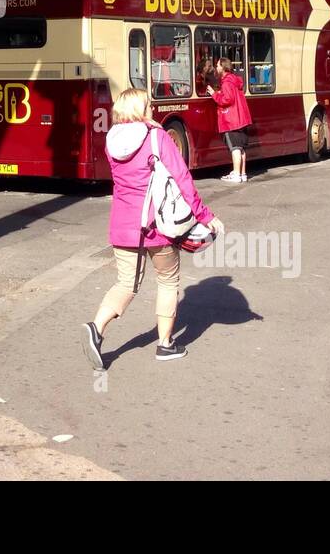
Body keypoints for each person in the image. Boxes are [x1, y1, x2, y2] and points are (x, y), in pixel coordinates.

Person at [83, 88, 220, 368]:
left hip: (123, 225)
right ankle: (165, 344)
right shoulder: (156, 137)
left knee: (126, 284)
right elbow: (181, 178)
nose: (152, 109)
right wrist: (205, 216)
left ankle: (96, 328)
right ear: (140, 108)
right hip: (157, 224)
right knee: (168, 280)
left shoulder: (111, 140)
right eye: (148, 105)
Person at [207, 57, 253, 182]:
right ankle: (242, 173)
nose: (216, 68)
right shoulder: (234, 80)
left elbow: (227, 99)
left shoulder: (227, 82)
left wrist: (214, 94)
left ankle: (236, 174)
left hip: (231, 120)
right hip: (241, 119)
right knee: (241, 148)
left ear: (223, 67)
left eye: (218, 65)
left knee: (235, 148)